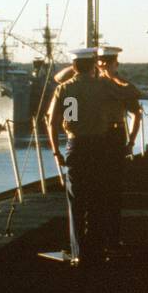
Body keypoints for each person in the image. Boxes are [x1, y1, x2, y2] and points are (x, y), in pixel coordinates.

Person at [46, 47, 120, 267]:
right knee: (98, 199)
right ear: (94, 64)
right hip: (100, 146)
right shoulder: (104, 86)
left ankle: (79, 253)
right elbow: (131, 94)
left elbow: (54, 122)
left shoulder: (65, 89)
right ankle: (96, 249)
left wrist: (56, 152)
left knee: (76, 202)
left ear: (75, 65)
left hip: (76, 145)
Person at [95, 45, 141, 250]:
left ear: (116, 64)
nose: (104, 65)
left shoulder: (122, 86)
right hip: (95, 136)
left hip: (114, 135)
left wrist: (131, 141)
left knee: (113, 188)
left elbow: (136, 108)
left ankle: (112, 237)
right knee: (95, 188)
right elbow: (60, 79)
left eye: (109, 62)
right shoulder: (90, 84)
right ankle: (96, 236)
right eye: (101, 61)